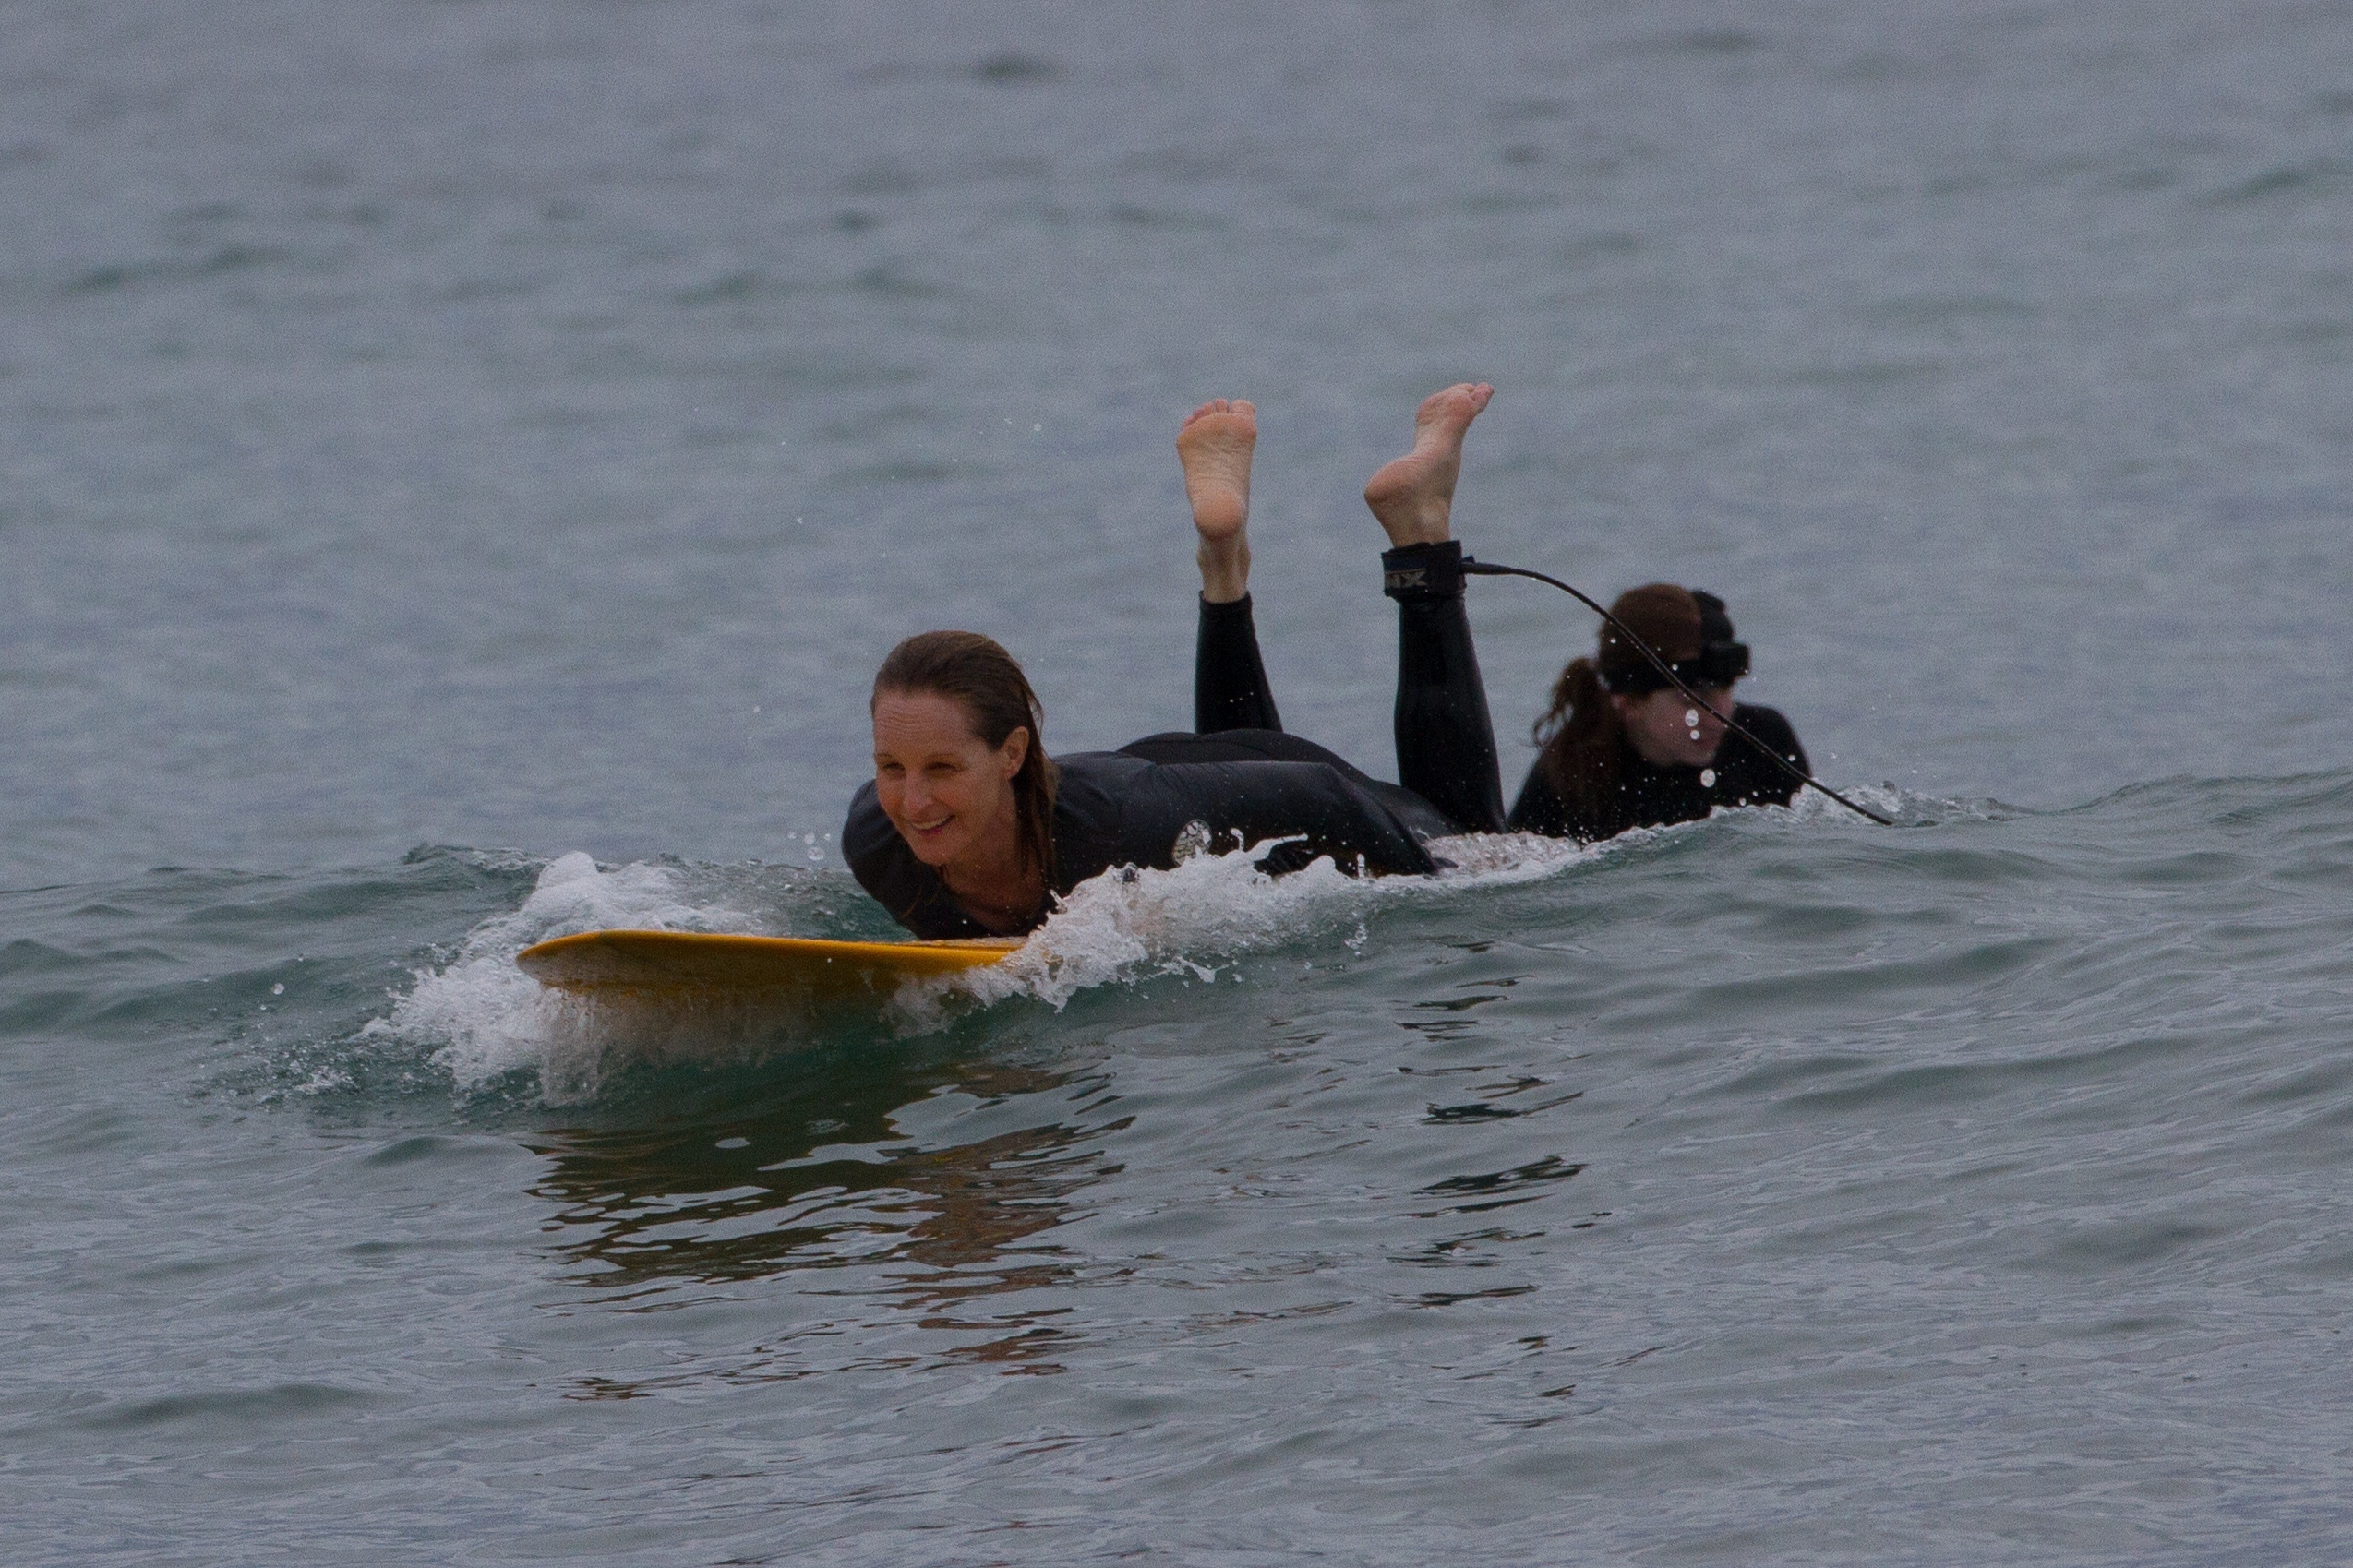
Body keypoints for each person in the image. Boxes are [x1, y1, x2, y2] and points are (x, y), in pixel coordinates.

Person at [844, 385, 1513, 938]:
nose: (914, 799)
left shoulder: (1120, 830)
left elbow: (1322, 795)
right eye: (890, 768)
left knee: (1468, 837)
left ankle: (1415, 528)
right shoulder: (877, 838)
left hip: (1234, 791)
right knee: (1240, 848)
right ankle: (1223, 565)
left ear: (1012, 753)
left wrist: (1434, 890)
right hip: (1182, 785)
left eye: (941, 767)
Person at [1505, 582, 1810, 843]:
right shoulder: (1573, 773)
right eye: (1692, 700)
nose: (1719, 718)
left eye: (1727, 688)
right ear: (1630, 703)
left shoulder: (1764, 743)